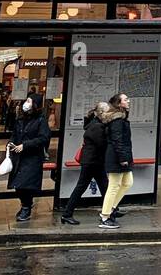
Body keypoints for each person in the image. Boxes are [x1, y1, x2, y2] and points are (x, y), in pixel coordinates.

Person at [60, 102, 110, 225]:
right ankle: (67, 214)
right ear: (102, 113)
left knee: (105, 186)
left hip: (93, 161)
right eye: (108, 112)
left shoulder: (93, 124)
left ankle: (112, 210)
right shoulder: (97, 127)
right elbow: (102, 144)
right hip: (92, 162)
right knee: (81, 187)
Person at [8, 93, 51, 222]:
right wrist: (11, 143)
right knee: (17, 185)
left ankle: (26, 207)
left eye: (29, 101)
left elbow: (44, 138)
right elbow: (15, 134)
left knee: (25, 184)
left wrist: (25, 145)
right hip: (19, 156)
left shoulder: (41, 120)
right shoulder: (20, 119)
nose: (26, 103)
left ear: (35, 104)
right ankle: (25, 205)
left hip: (32, 157)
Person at [101, 92, 133, 228]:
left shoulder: (121, 118)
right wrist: (122, 158)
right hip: (117, 157)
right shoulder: (117, 120)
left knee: (128, 182)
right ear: (119, 104)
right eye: (126, 99)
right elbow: (117, 140)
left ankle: (111, 208)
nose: (128, 101)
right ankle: (105, 216)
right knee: (114, 186)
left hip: (122, 155)